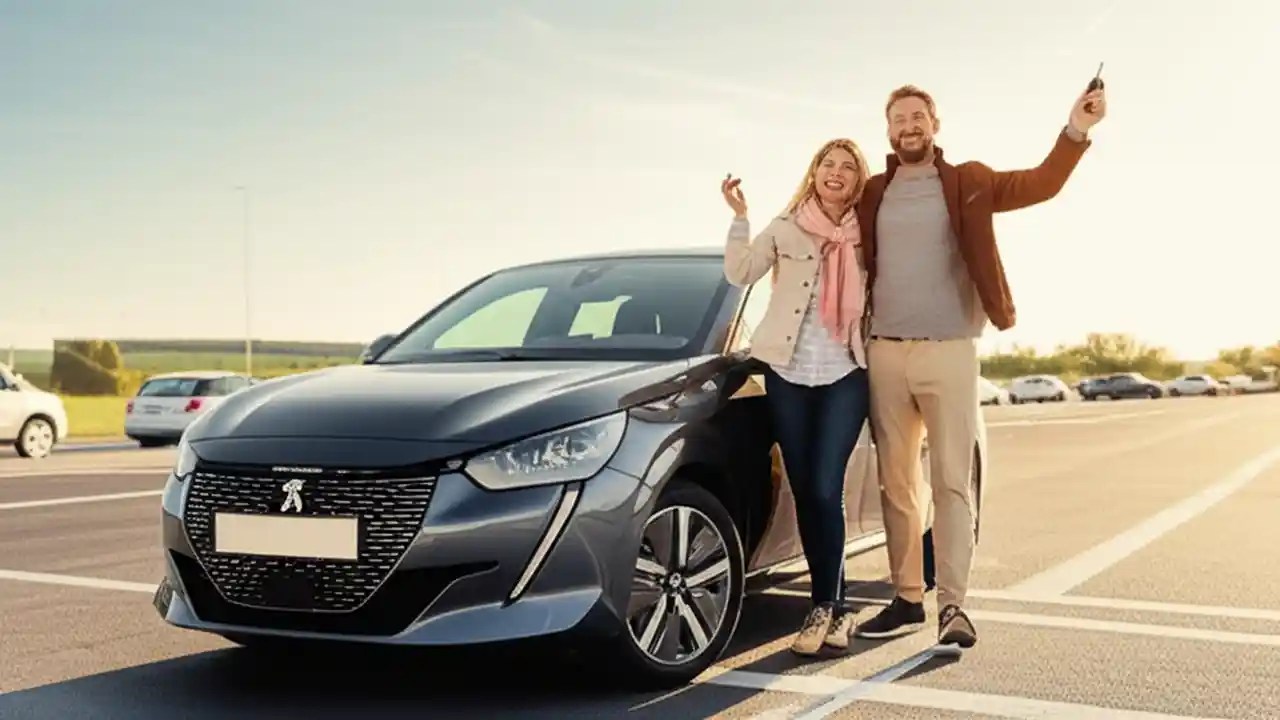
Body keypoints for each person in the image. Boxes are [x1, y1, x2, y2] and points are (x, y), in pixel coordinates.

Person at [852, 83, 1107, 648]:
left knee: (949, 480)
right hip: (885, 352)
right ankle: (905, 598)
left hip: (951, 350)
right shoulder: (871, 191)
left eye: (919, 116)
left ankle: (954, 606)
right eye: (899, 119)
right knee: (897, 485)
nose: (909, 125)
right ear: (888, 130)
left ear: (935, 124)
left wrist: (1076, 129)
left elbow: (1041, 183)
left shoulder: (969, 180)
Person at [720, 138, 873, 655]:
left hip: (846, 372)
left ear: (858, 180)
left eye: (847, 167)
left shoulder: (868, 232)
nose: (836, 173)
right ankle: (839, 606)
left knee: (827, 487)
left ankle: (822, 606)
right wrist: (741, 218)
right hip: (788, 372)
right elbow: (741, 273)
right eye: (828, 164)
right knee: (807, 490)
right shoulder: (786, 227)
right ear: (814, 173)